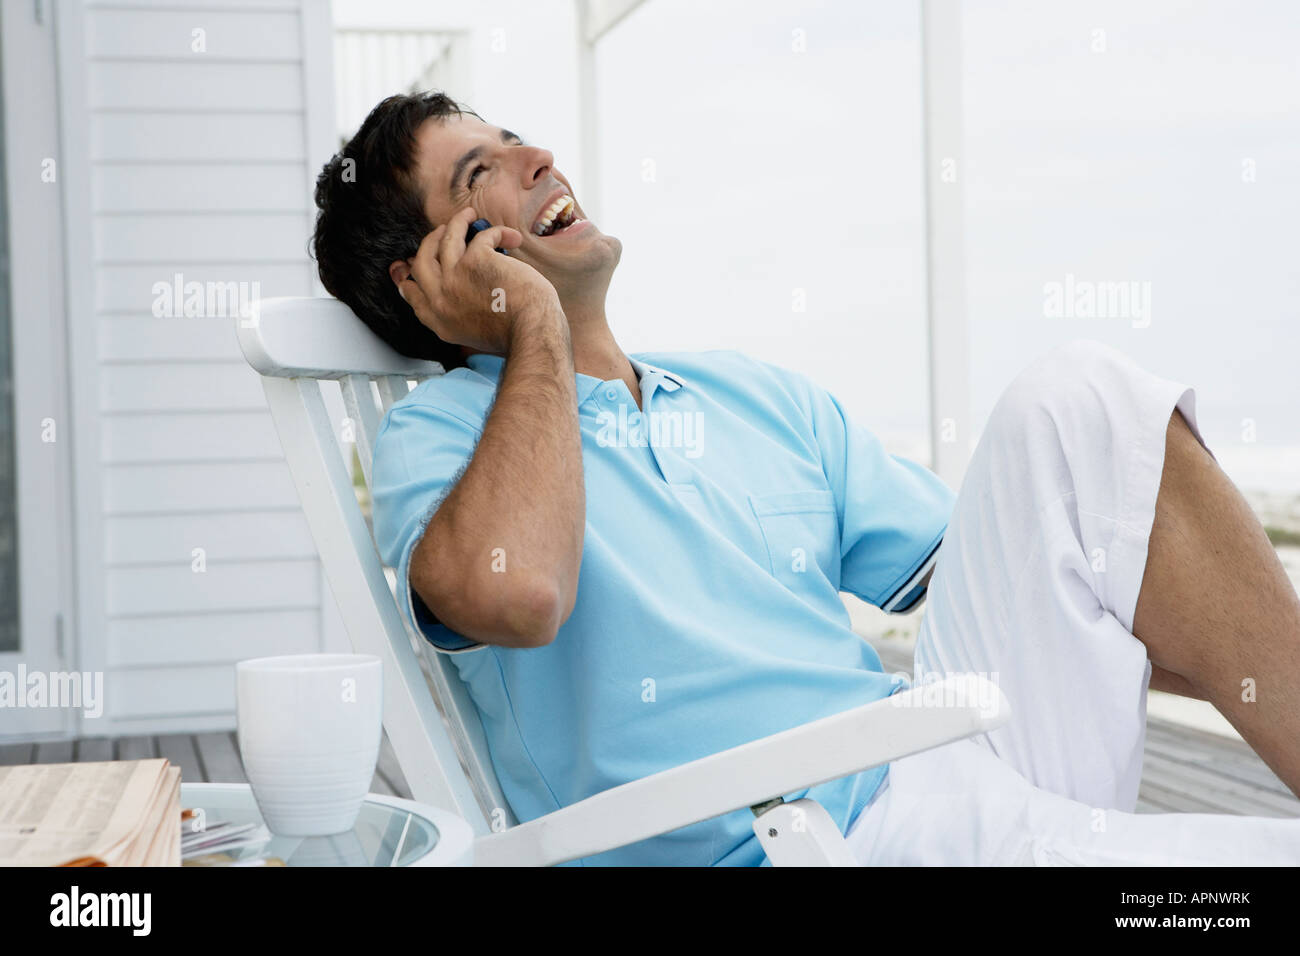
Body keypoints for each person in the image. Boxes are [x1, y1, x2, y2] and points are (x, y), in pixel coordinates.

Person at [310, 92, 1300, 866]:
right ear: (432, 273)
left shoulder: (748, 394)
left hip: (957, 769)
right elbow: (516, 592)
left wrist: (1231, 657)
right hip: (820, 843)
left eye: (519, 137)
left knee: (1075, 399)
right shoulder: (440, 440)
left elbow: (1088, 581)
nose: (539, 159)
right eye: (483, 171)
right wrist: (532, 326)